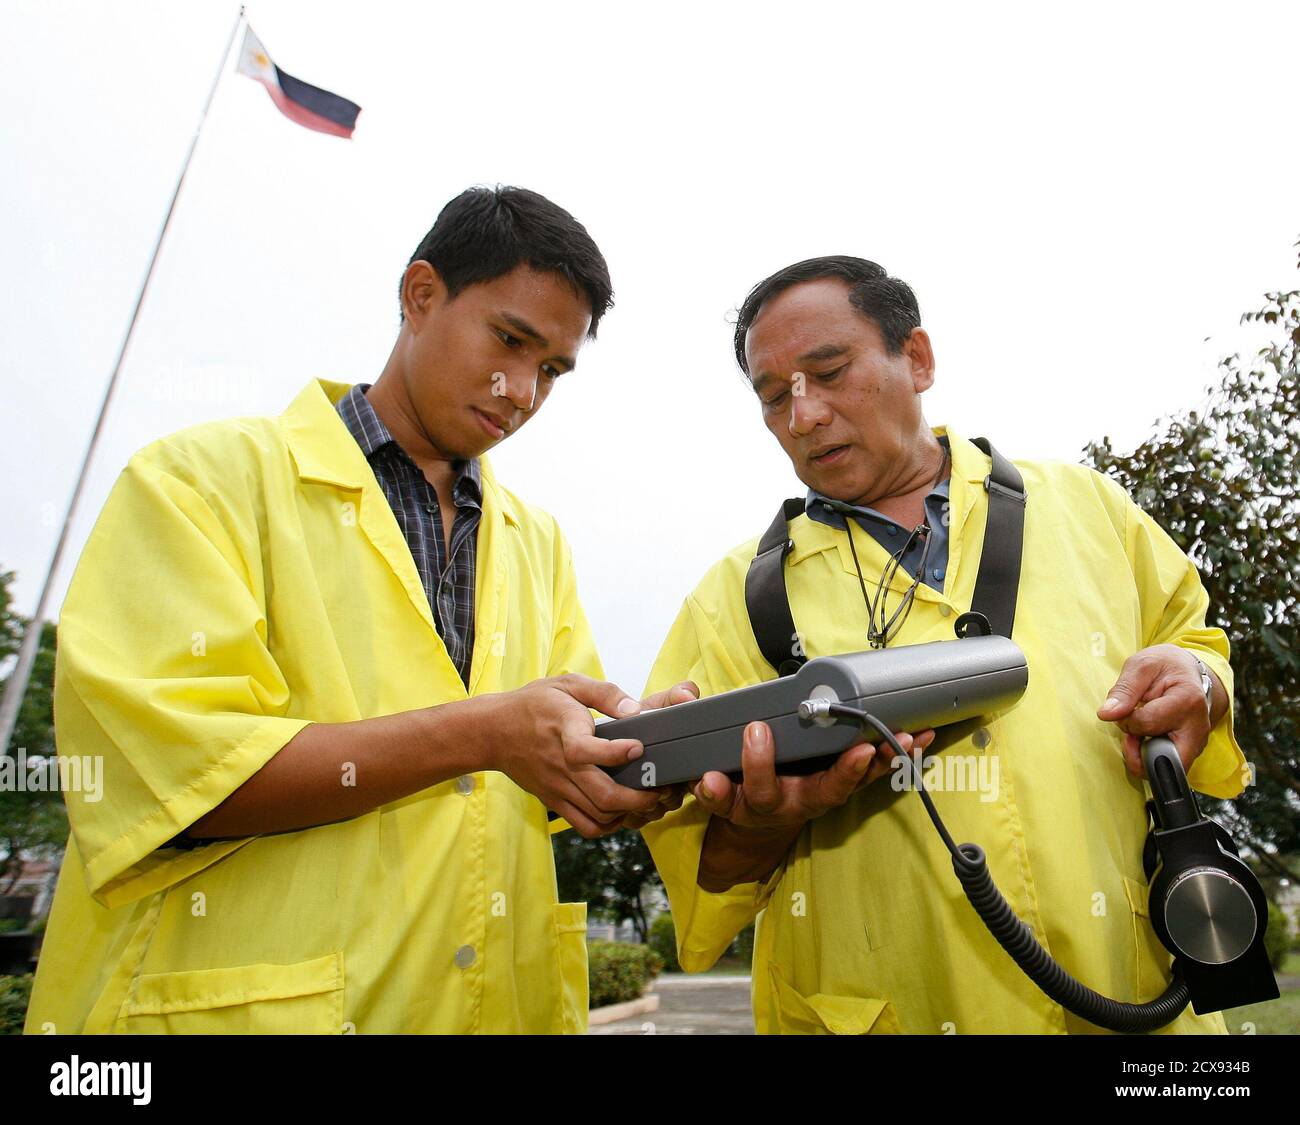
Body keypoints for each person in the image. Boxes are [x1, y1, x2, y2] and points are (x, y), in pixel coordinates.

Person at [25, 185, 692, 1035]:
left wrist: (649, 755)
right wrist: (487, 732)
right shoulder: (198, 484)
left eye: (553, 369)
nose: (522, 390)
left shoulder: (538, 541)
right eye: (510, 340)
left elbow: (552, 766)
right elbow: (179, 785)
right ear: (420, 295)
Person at [639, 256, 1247, 1035]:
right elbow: (702, 872)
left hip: (1136, 1001)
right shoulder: (733, 600)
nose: (804, 415)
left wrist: (1202, 677)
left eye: (828, 372)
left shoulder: (1090, 508)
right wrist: (758, 824)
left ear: (917, 358)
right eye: (772, 395)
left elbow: (1195, 639)